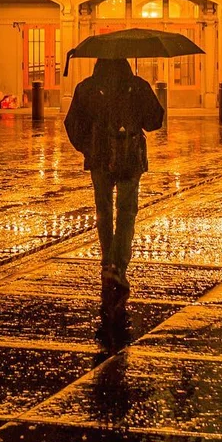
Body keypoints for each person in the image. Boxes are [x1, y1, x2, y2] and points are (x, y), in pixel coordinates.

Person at [63, 57, 163, 318]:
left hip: (99, 157)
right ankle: (119, 264)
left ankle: (108, 262)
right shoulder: (137, 86)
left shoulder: (86, 88)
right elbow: (155, 120)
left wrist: (88, 146)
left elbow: (72, 125)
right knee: (127, 211)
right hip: (130, 155)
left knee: (104, 211)